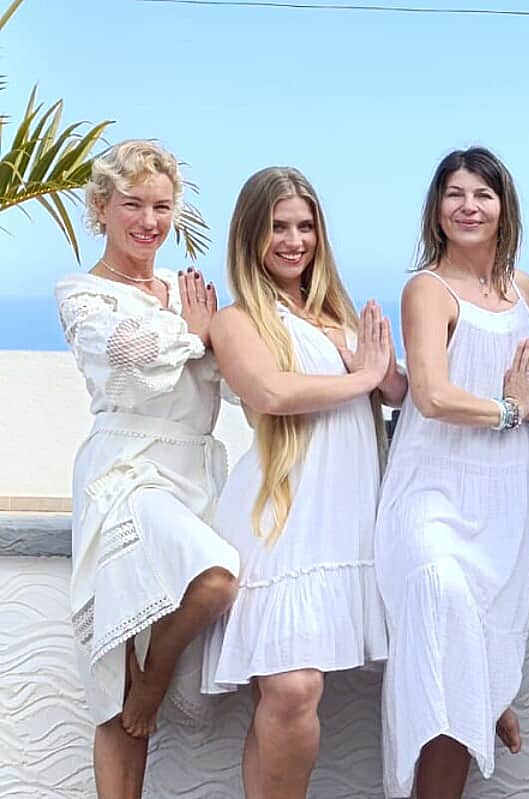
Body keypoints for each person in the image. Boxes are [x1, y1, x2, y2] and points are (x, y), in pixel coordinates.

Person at [375, 146, 529, 799]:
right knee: (443, 596)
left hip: (503, 499)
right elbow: (431, 394)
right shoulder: (426, 290)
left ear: (503, 207)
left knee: (464, 651)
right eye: (455, 194)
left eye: (483, 194)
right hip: (431, 490)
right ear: (437, 210)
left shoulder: (522, 290)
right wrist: (505, 409)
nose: (469, 206)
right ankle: (487, 699)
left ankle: (489, 696)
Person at [199, 166, 403, 799]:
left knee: (287, 696)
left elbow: (397, 389)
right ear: (249, 237)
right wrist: (361, 376)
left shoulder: (336, 316)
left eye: (305, 225)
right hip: (278, 521)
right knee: (292, 687)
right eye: (277, 227)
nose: (294, 240)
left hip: (340, 525)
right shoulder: (235, 321)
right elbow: (270, 392)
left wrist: (370, 362)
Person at [53, 139, 240, 799]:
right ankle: (151, 680)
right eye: (131, 203)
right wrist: (197, 332)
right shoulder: (83, 292)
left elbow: (238, 381)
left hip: (193, 470)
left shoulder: (187, 294)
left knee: (140, 657)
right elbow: (127, 353)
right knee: (210, 581)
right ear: (101, 207)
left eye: (160, 206)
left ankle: (152, 677)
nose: (147, 219)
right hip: (126, 473)